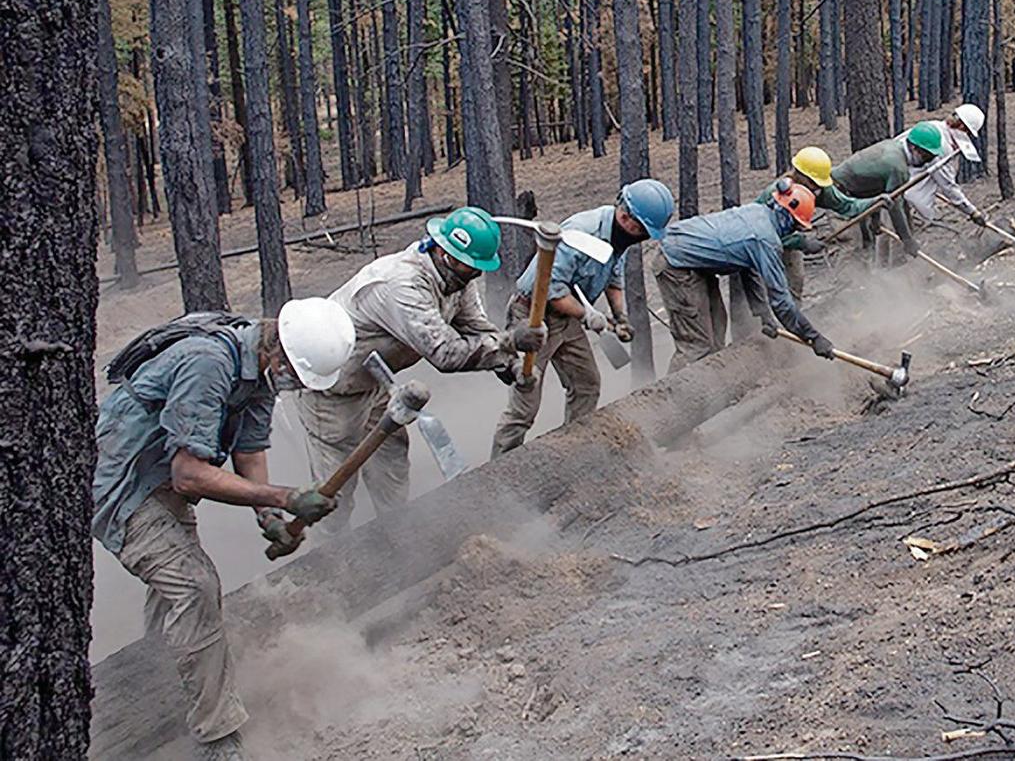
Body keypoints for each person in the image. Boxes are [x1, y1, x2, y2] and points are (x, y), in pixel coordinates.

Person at [92, 298, 357, 760]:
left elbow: (250, 449)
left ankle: (162, 681)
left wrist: (270, 518)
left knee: (178, 590)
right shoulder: (208, 364)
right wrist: (285, 498)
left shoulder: (260, 365)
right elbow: (190, 474)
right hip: (121, 481)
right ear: (280, 354)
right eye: (294, 375)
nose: (293, 386)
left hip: (159, 476)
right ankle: (217, 739)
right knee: (194, 585)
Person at [297, 206, 545, 532]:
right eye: (469, 268)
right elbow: (444, 353)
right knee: (335, 491)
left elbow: (475, 326)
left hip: (374, 382)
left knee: (391, 462)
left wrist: (508, 363)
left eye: (476, 271)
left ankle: (396, 539)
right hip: (332, 391)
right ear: (444, 252)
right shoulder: (403, 285)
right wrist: (510, 342)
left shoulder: (458, 275)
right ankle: (326, 565)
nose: (473, 275)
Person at [491, 179, 676, 456]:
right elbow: (551, 291)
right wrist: (589, 316)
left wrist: (619, 315)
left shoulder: (620, 236)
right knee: (525, 404)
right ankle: (499, 469)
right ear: (625, 216)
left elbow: (614, 276)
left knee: (587, 384)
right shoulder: (581, 233)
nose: (643, 237)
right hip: (532, 315)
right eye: (642, 230)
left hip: (566, 318)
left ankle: (573, 453)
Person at [654, 183, 835, 372]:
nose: (793, 232)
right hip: (675, 265)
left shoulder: (758, 213)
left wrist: (762, 314)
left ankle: (708, 385)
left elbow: (747, 268)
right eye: (796, 227)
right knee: (697, 345)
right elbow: (782, 303)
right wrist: (813, 337)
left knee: (717, 328)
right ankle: (672, 396)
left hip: (694, 263)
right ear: (788, 218)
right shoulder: (765, 239)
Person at [830, 104, 989, 258]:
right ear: (962, 127)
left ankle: (881, 271)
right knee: (896, 239)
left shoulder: (930, 127)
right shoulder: (937, 143)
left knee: (885, 235)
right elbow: (948, 186)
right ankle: (892, 277)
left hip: (890, 191)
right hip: (899, 193)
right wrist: (972, 212)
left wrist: (876, 217)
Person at [754, 146, 879, 300]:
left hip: (788, 235)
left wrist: (874, 202)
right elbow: (765, 234)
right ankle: (763, 320)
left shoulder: (822, 189)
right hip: (760, 238)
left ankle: (792, 319)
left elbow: (848, 206)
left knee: (795, 282)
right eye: (813, 183)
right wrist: (802, 243)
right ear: (799, 175)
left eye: (819, 184)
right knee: (769, 285)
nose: (817, 188)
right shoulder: (776, 196)